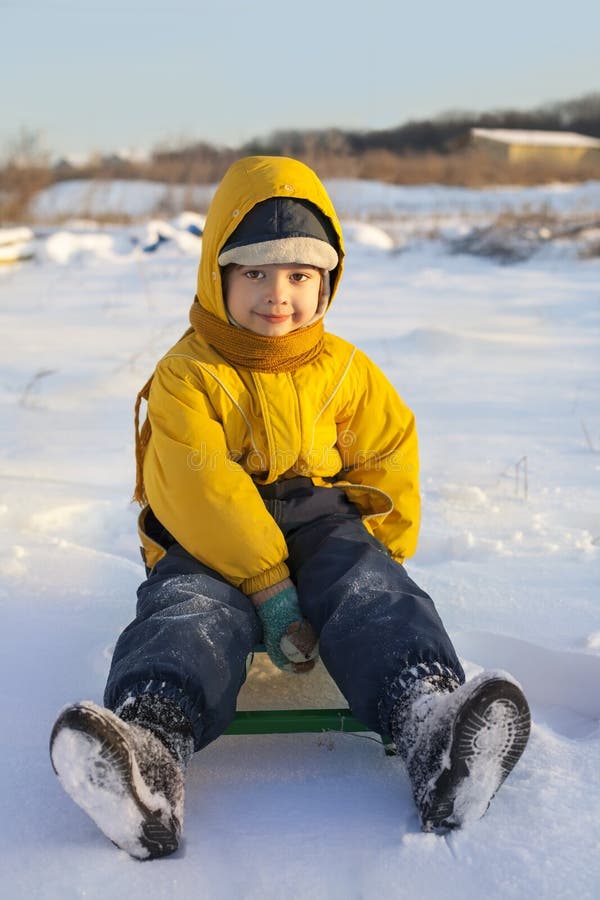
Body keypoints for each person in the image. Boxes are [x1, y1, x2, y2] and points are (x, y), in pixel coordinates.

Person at [50, 156, 531, 860]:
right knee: (189, 609)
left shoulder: (343, 368)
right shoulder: (190, 373)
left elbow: (390, 446)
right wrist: (271, 587)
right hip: (209, 540)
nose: (279, 296)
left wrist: (384, 547)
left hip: (319, 517)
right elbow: (198, 483)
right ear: (218, 276)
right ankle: (149, 748)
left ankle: (431, 725)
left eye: (301, 276)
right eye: (256, 274)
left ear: (327, 281)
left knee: (367, 587)